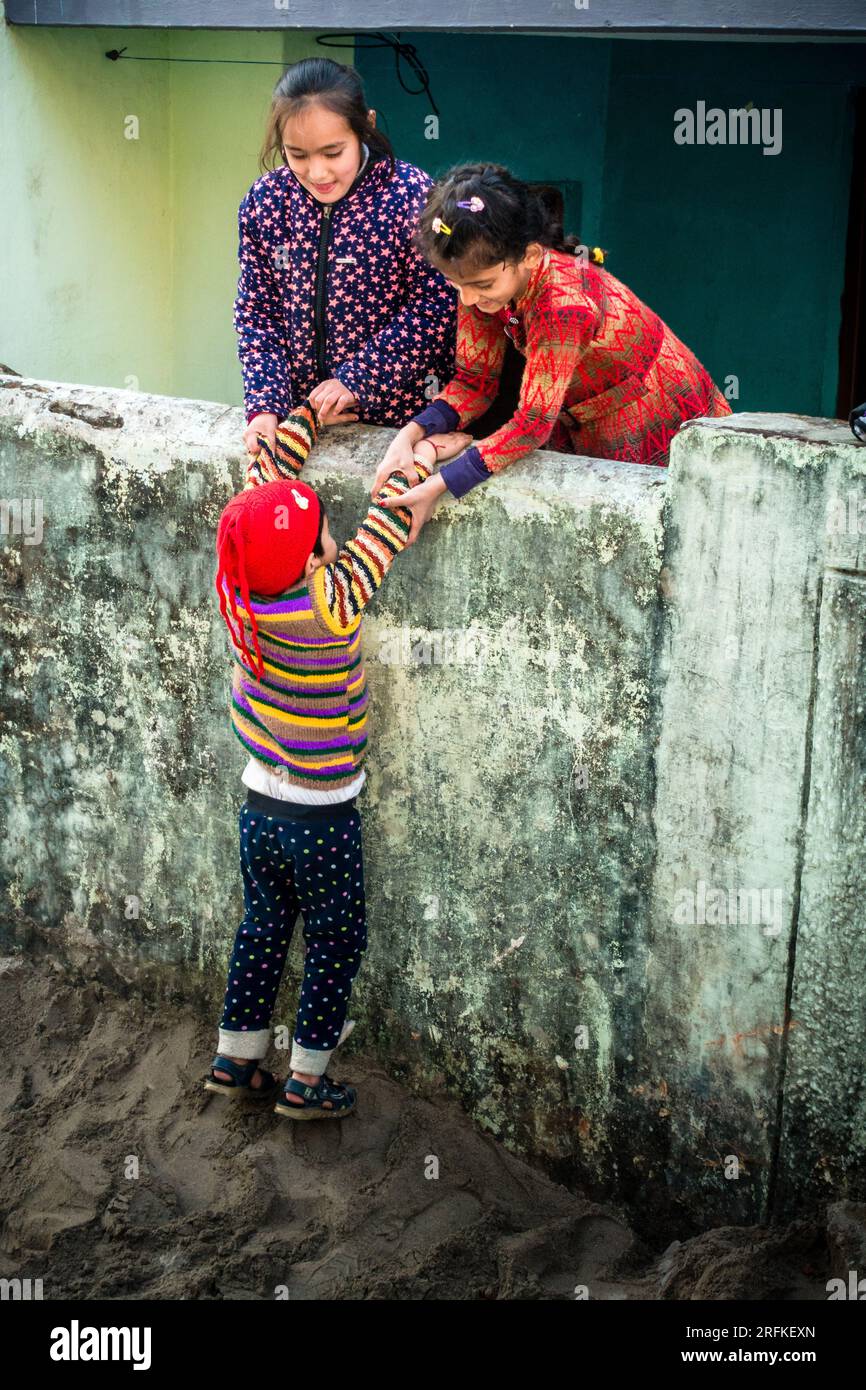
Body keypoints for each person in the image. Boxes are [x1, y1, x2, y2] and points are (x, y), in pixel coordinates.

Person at [204, 399, 468, 1119]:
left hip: (260, 807)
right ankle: (308, 1080)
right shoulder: (334, 602)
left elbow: (264, 487)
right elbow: (389, 517)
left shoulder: (239, 590)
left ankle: (237, 1060)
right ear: (316, 557)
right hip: (323, 817)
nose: (330, 532)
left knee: (261, 928)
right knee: (332, 942)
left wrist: (303, 422)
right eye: (323, 531)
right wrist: (422, 455)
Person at [370, 162, 733, 542]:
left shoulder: (562, 304)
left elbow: (531, 423)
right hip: (581, 418)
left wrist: (440, 485)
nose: (469, 299)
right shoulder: (478, 284)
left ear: (528, 255)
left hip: (659, 414)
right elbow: (475, 383)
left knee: (679, 536)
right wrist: (409, 435)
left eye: (482, 284)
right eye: (456, 284)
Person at [234, 57, 457, 460]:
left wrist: (356, 380)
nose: (317, 172)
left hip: (398, 429)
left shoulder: (412, 197)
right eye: (296, 154)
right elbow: (257, 311)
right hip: (300, 425)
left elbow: (438, 307)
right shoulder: (266, 202)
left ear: (365, 126)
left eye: (333, 152)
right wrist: (265, 406)